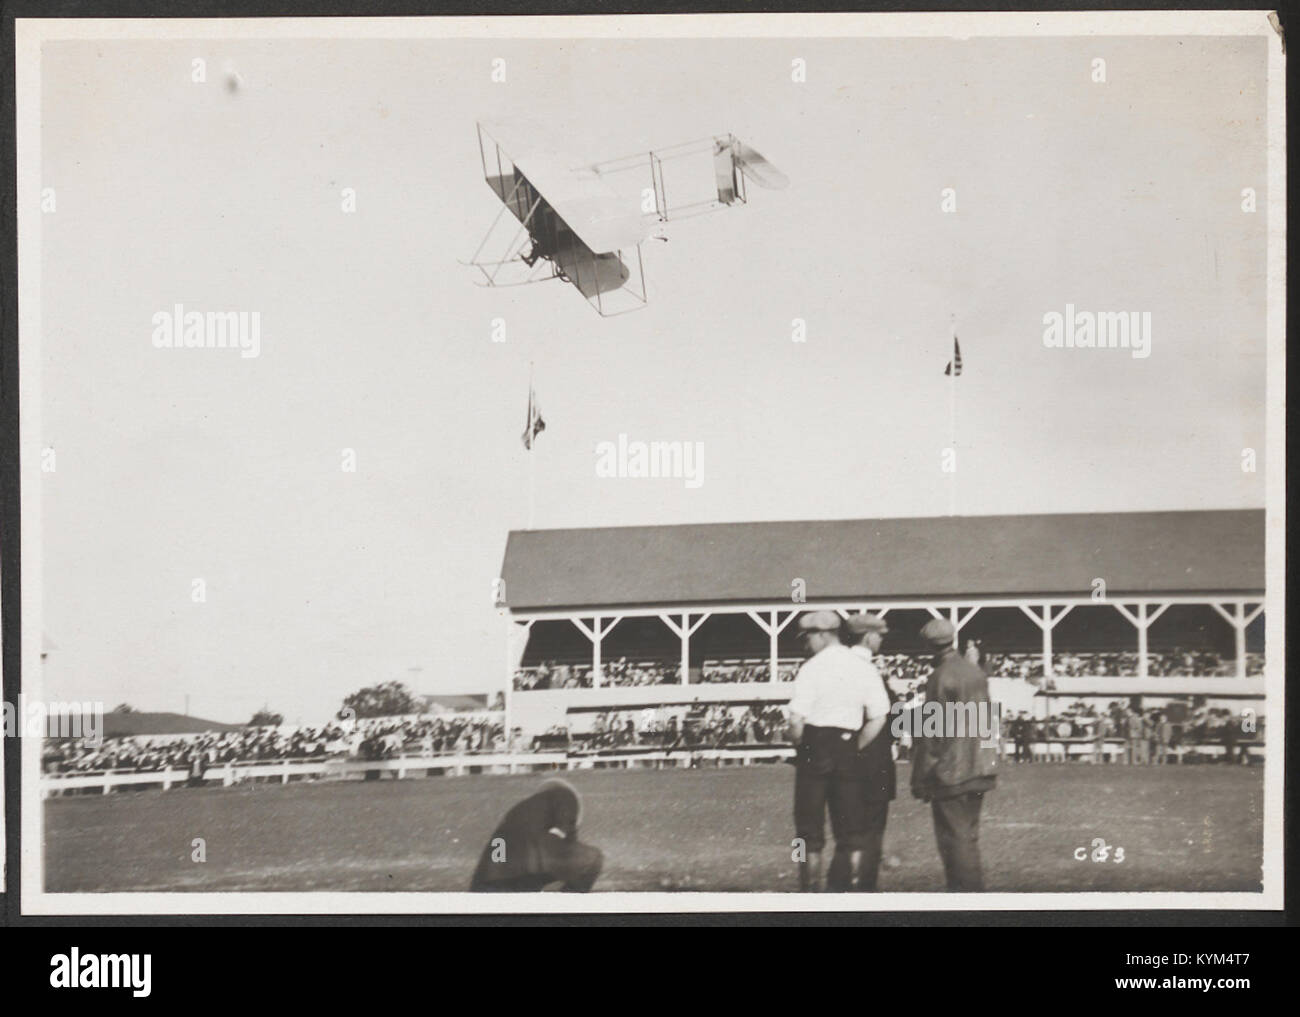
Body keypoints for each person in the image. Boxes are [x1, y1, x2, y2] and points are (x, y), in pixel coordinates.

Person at [787, 610, 882, 892]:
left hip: (813, 748)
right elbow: (878, 716)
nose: (806, 644)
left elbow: (795, 720)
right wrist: (856, 745)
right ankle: (852, 897)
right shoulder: (863, 666)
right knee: (852, 830)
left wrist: (799, 743)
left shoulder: (811, 668)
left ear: (821, 635)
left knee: (808, 831)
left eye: (808, 638)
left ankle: (810, 894)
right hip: (848, 748)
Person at [910, 617, 998, 891]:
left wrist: (920, 776)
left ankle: (966, 901)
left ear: (928, 646)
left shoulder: (940, 677)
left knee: (955, 841)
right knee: (968, 837)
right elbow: (988, 719)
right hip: (981, 768)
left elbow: (934, 736)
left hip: (952, 773)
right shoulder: (976, 672)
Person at [832, 612, 895, 891]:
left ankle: (836, 892)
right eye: (879, 635)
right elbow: (885, 721)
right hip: (872, 766)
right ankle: (863, 897)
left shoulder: (837, 669)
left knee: (846, 836)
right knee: (870, 836)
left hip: (841, 766)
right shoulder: (870, 672)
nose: (880, 639)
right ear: (869, 637)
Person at [469, 778, 603, 892]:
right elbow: (562, 828)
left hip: (493, 874)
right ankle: (566, 906)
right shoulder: (564, 794)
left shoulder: (523, 808)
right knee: (594, 859)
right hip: (532, 858)